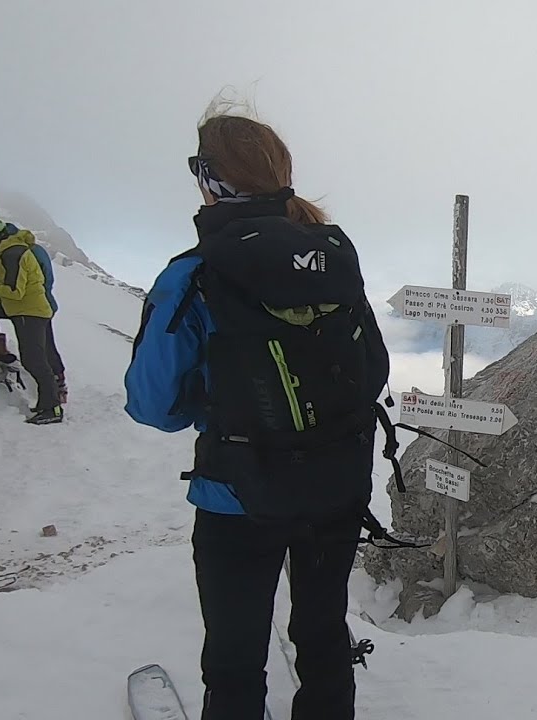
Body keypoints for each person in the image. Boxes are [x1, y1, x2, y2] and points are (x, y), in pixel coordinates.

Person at [123, 104, 391, 720]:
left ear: (211, 181)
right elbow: (372, 369)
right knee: (323, 635)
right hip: (338, 484)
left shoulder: (193, 274)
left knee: (235, 657)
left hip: (238, 495)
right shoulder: (332, 254)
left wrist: (221, 402)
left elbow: (152, 404)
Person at [0, 214, 64, 424]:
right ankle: (47, 404)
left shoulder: (12, 253)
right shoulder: (10, 249)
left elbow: (14, 291)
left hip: (28, 312)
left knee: (34, 360)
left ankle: (52, 408)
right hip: (25, 309)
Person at [29, 241, 67, 404]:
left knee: (44, 347)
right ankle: (60, 383)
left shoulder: (22, 253)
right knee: (47, 344)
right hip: (45, 304)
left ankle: (55, 389)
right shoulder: (36, 249)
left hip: (37, 305)